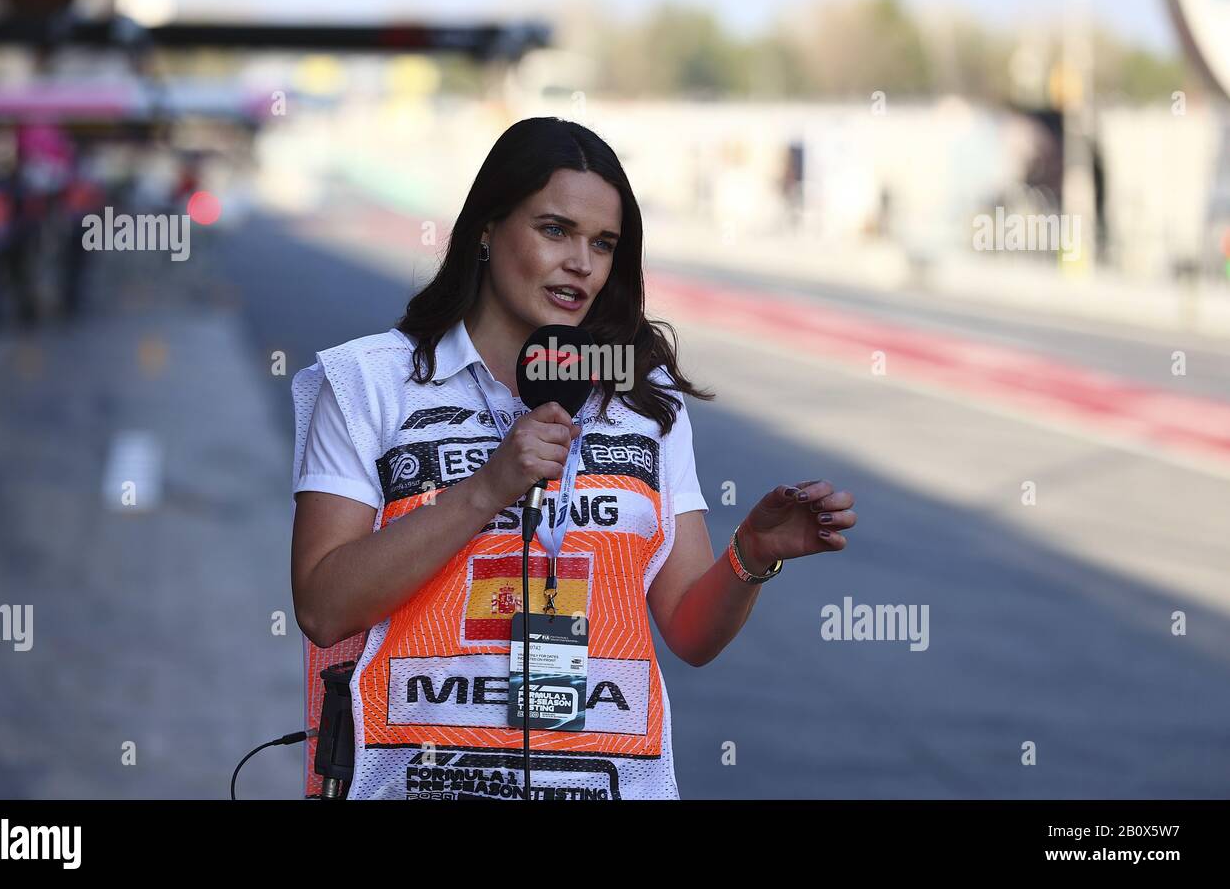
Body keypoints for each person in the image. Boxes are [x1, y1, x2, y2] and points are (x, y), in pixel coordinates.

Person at [289, 117, 858, 800]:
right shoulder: (368, 384)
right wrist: (487, 489)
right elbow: (323, 608)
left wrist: (750, 554)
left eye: (604, 244)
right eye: (555, 230)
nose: (582, 263)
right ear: (487, 229)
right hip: (411, 782)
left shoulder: (645, 402)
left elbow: (690, 631)